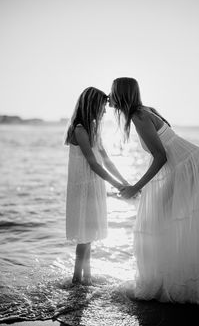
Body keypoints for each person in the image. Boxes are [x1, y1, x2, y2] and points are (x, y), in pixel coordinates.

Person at [109, 77, 199, 303]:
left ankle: (179, 283)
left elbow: (162, 156)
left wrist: (136, 187)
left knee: (162, 220)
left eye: (112, 92)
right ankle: (179, 280)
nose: (109, 96)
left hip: (191, 166)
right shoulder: (145, 111)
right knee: (165, 220)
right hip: (190, 163)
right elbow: (167, 150)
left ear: (120, 94)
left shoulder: (139, 116)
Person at [65, 87, 128, 284]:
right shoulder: (80, 130)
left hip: (94, 186)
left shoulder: (93, 129)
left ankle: (88, 278)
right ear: (92, 106)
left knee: (89, 235)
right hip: (83, 188)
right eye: (102, 107)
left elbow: (107, 160)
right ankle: (77, 279)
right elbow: (93, 163)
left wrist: (125, 183)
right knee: (84, 236)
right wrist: (118, 186)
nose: (104, 111)